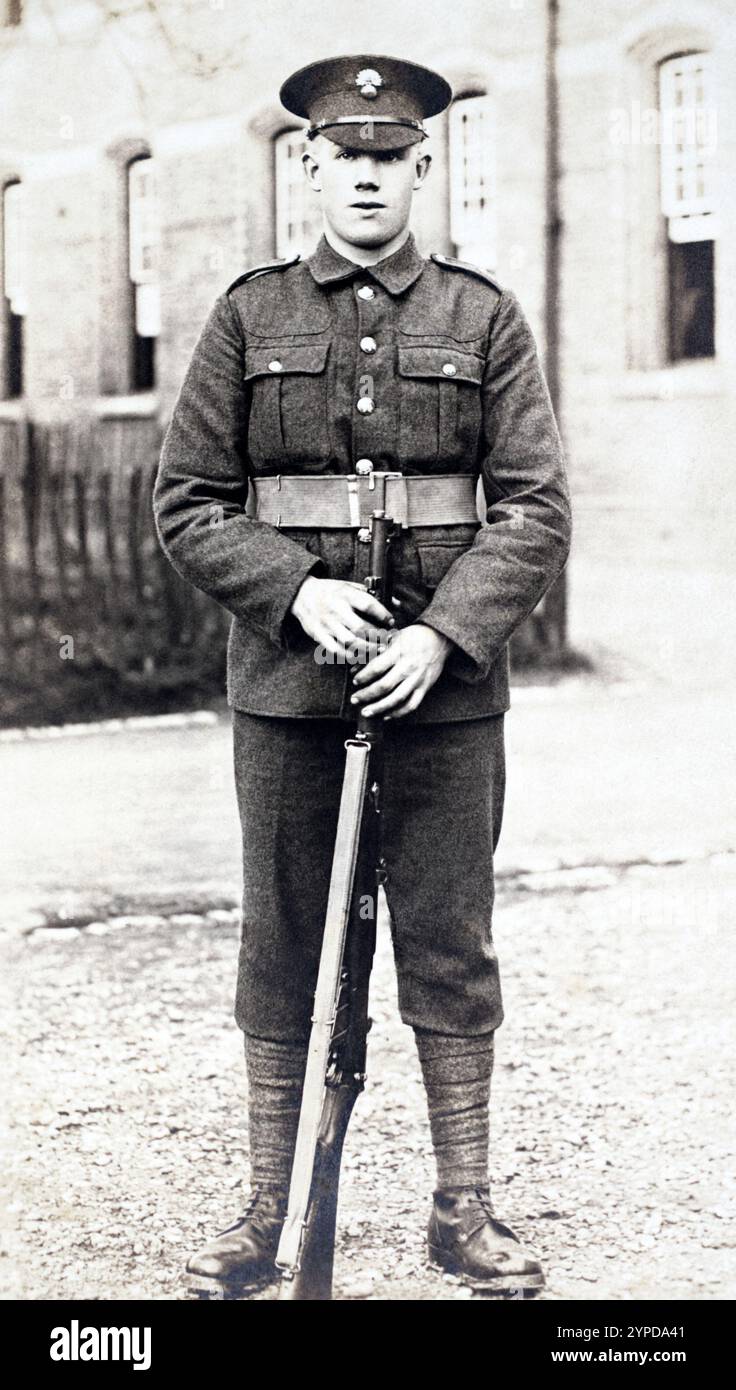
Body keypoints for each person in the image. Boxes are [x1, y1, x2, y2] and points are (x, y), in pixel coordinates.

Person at [153, 53, 572, 1299]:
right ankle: (261, 1216)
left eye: (392, 162)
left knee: (449, 939)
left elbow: (537, 507)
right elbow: (186, 500)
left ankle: (464, 1211)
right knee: (282, 939)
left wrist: (442, 636)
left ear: (421, 170)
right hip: (288, 689)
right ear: (311, 169)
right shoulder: (248, 314)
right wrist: (295, 592)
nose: (370, 182)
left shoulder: (481, 316)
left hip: (443, 696)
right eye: (348, 162)